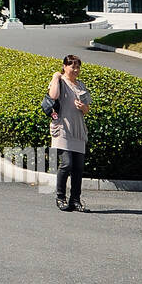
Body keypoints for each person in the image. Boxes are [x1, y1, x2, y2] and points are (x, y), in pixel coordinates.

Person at [47, 54, 91, 213]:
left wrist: (82, 107)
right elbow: (53, 96)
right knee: (66, 164)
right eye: (73, 66)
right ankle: (60, 197)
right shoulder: (59, 81)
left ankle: (75, 200)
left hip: (78, 129)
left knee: (78, 167)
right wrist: (55, 77)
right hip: (62, 128)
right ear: (65, 66)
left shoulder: (81, 85)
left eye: (78, 67)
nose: (76, 70)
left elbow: (87, 109)